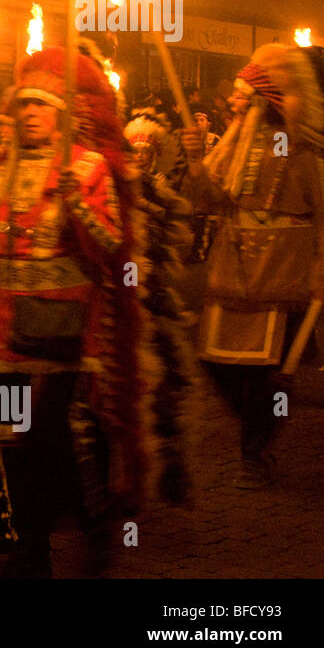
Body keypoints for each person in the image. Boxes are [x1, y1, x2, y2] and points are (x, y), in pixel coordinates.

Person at [0, 47, 143, 578]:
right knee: (8, 443)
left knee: (50, 443)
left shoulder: (89, 167)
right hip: (4, 336)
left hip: (64, 337)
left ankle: (90, 529)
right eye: (23, 105)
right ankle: (30, 550)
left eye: (41, 105)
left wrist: (80, 204)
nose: (30, 113)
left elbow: (109, 250)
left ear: (62, 112)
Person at [180, 44, 324, 488]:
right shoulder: (232, 144)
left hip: (282, 275)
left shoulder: (302, 148)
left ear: (265, 99)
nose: (231, 99)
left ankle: (256, 448)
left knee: (271, 372)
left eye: (242, 93)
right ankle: (255, 423)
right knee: (215, 362)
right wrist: (193, 159)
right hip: (232, 271)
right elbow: (205, 201)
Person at [124, 111, 196, 505]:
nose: (140, 158)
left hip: (153, 300)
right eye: (134, 151)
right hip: (121, 297)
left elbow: (172, 245)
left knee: (164, 386)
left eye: (147, 152)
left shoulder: (163, 195)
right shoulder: (114, 189)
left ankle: (171, 461)